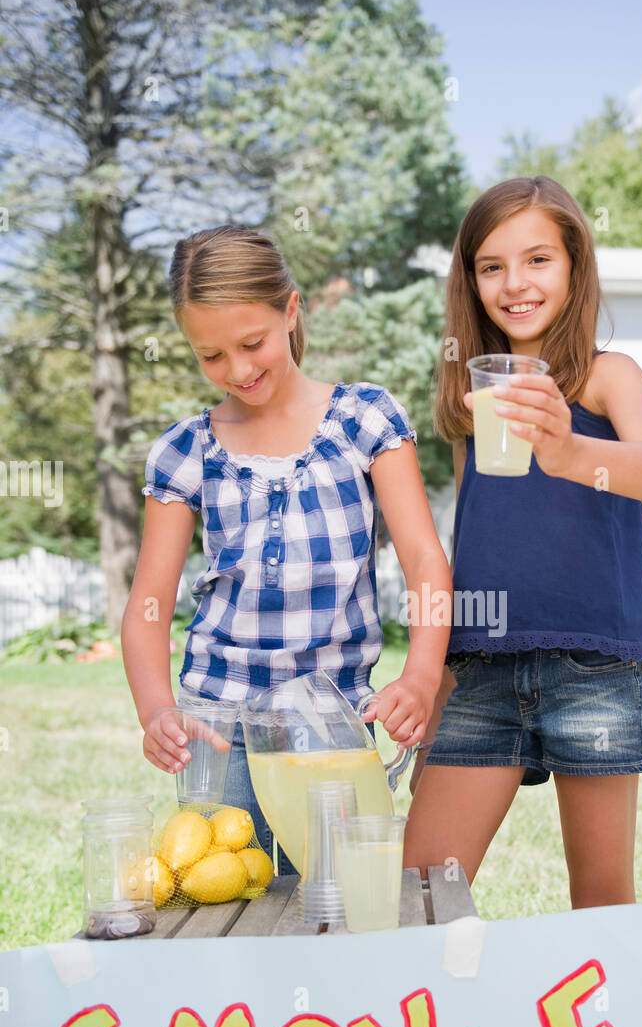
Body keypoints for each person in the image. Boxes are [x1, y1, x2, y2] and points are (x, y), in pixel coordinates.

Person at [122, 224, 450, 870]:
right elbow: (147, 605)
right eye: (211, 356)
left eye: (252, 343)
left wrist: (421, 674)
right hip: (219, 732)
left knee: (337, 906)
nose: (238, 371)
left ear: (291, 310)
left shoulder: (365, 422)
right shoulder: (187, 452)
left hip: (332, 727)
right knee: (230, 906)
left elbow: (424, 560)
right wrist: (157, 709)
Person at [403, 177, 642, 907]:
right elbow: (474, 542)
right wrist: (435, 672)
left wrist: (566, 452)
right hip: (483, 670)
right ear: (469, 281)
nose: (514, 283)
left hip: (592, 667)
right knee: (421, 891)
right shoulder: (472, 403)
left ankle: (609, 1021)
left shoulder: (604, 376)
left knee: (599, 895)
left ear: (574, 267)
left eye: (538, 260)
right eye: (490, 266)